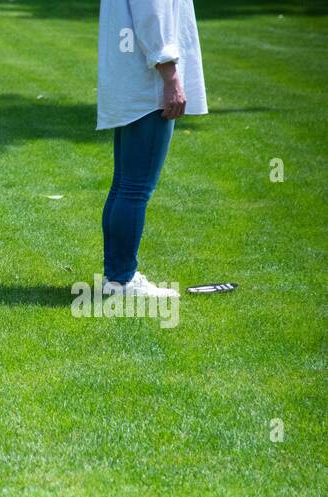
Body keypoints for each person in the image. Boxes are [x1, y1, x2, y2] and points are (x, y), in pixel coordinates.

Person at [97, 0, 207, 298]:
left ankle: (116, 276)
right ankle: (122, 280)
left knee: (124, 186)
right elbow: (152, 16)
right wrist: (170, 76)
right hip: (148, 85)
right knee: (134, 188)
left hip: (135, 82)